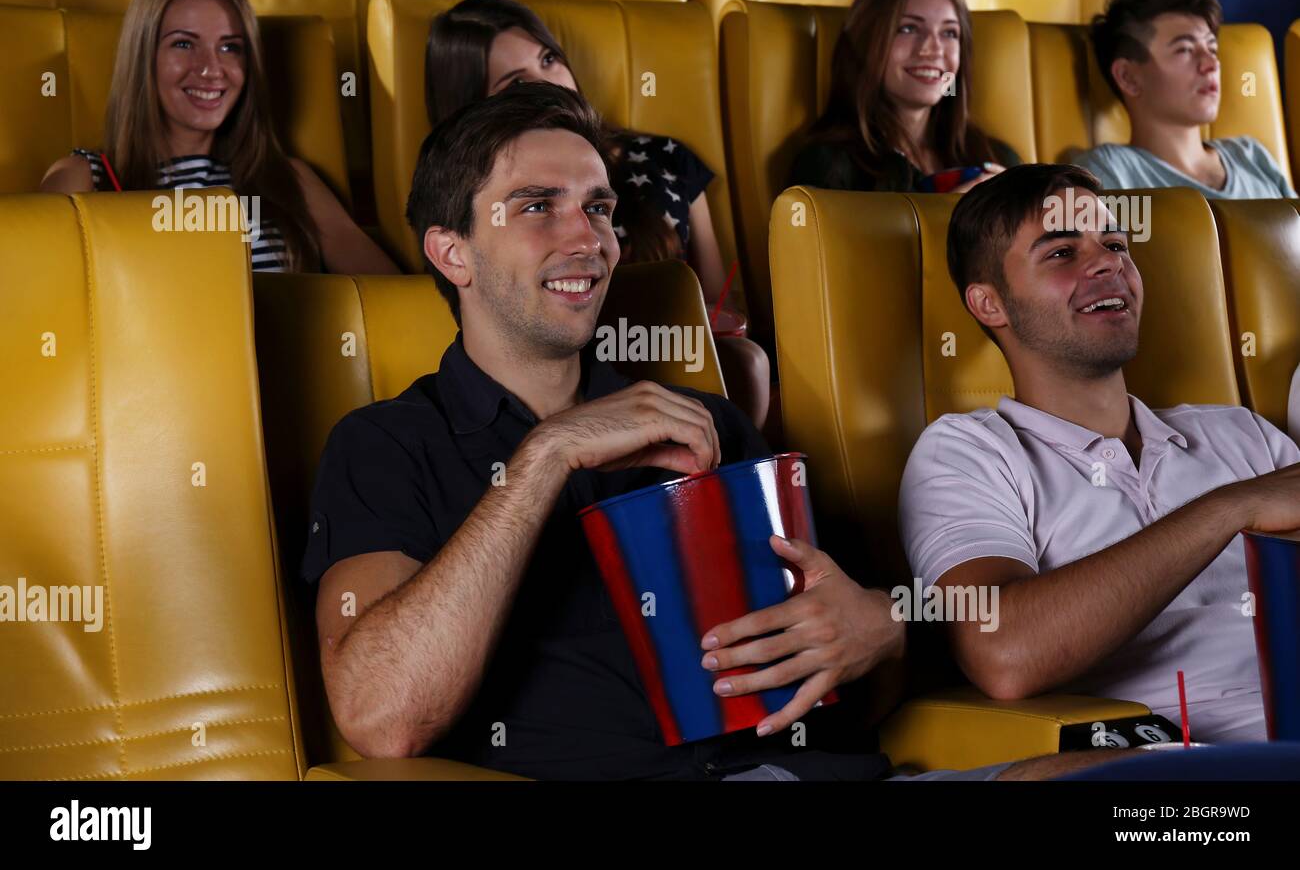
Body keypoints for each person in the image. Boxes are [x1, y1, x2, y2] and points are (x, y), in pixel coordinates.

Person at [303, 82, 1122, 781]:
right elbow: (384, 718)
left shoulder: (706, 422)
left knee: (1169, 793)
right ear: (453, 253)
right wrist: (547, 456)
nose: (587, 236)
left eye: (598, 207)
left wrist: (880, 631)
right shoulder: (386, 442)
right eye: (535, 207)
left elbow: (854, 685)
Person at [899, 162, 1300, 743]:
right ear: (990, 305)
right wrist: (1228, 510)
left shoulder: (1243, 435)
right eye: (1061, 253)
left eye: (1115, 244)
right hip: (1191, 760)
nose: (1110, 260)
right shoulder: (968, 453)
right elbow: (1003, 651)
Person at [423, 0, 770, 431]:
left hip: (666, 342)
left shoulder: (663, 158)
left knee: (747, 361)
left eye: (549, 59)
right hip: (559, 356)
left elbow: (722, 298)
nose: (549, 82)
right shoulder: (467, 201)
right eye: (515, 83)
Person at [40, 0, 397, 275]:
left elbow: (389, 298)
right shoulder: (84, 180)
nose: (212, 69)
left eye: (230, 47)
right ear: (142, 57)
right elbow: (34, 310)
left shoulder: (291, 181)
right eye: (183, 44)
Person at [788, 0, 1020, 195]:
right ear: (865, 43)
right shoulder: (826, 166)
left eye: (949, 33)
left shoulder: (998, 157)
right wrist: (945, 216)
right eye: (908, 28)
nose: (933, 48)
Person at [1073, 0, 1296, 198]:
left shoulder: (1252, 157)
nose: (1211, 64)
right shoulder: (1104, 174)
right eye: (1185, 50)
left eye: (1212, 48)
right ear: (1128, 77)